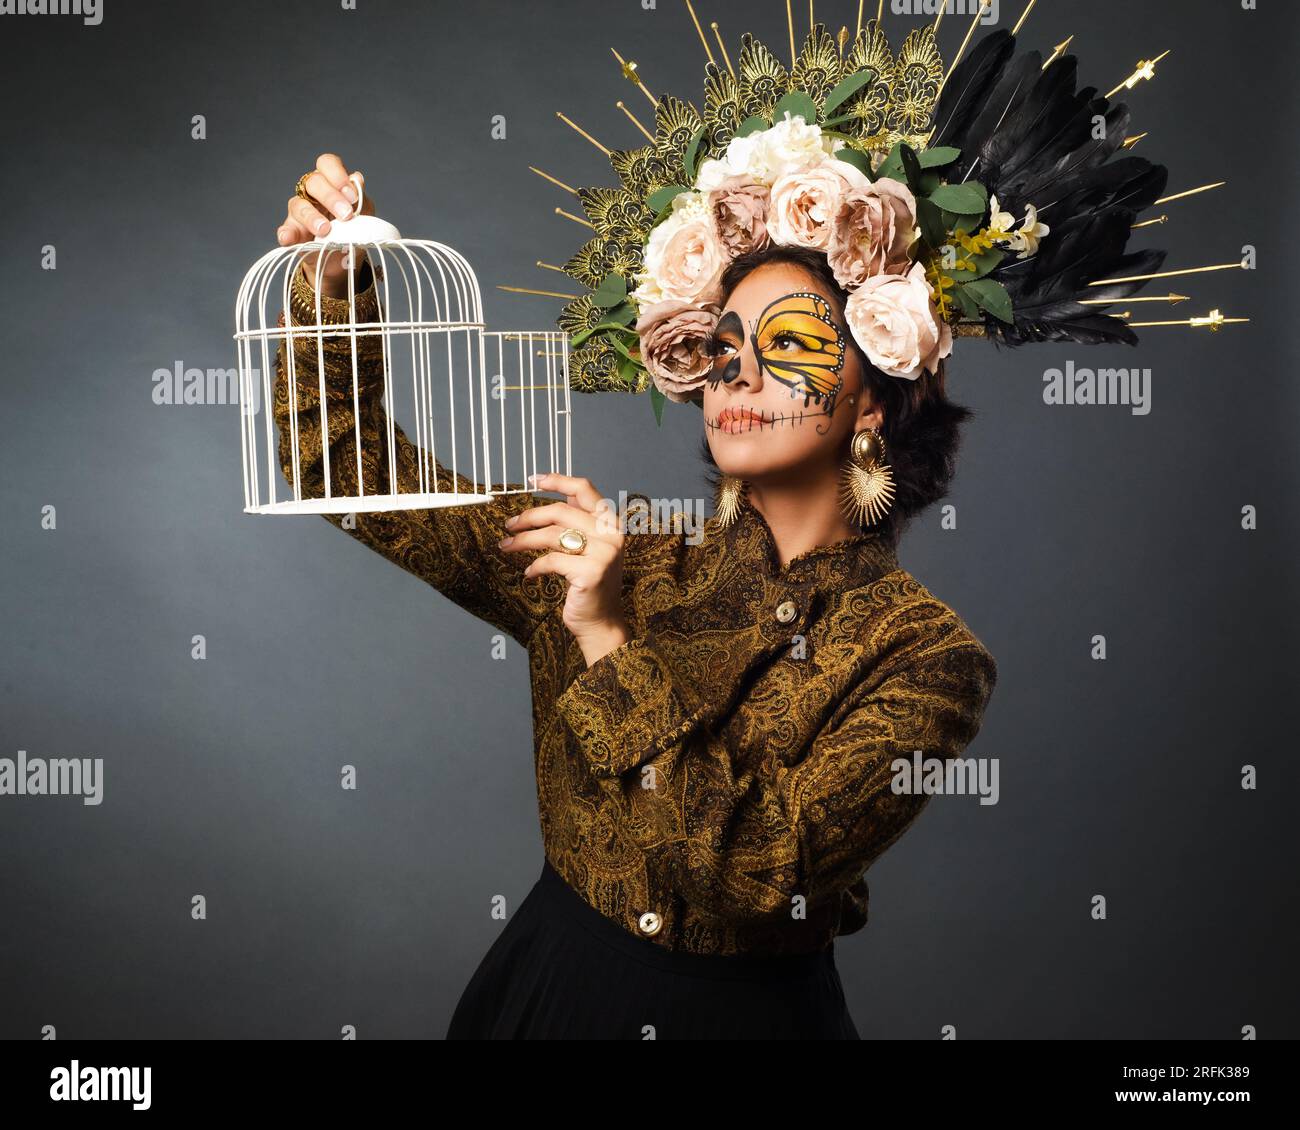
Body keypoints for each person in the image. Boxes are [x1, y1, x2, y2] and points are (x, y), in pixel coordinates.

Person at [269, 153, 997, 1040]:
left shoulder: (927, 657)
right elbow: (350, 476)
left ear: (874, 397)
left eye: (792, 345)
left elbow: (754, 871)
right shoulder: (617, 557)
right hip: (547, 999)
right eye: (723, 346)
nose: (738, 373)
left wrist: (609, 639)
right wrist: (335, 288)